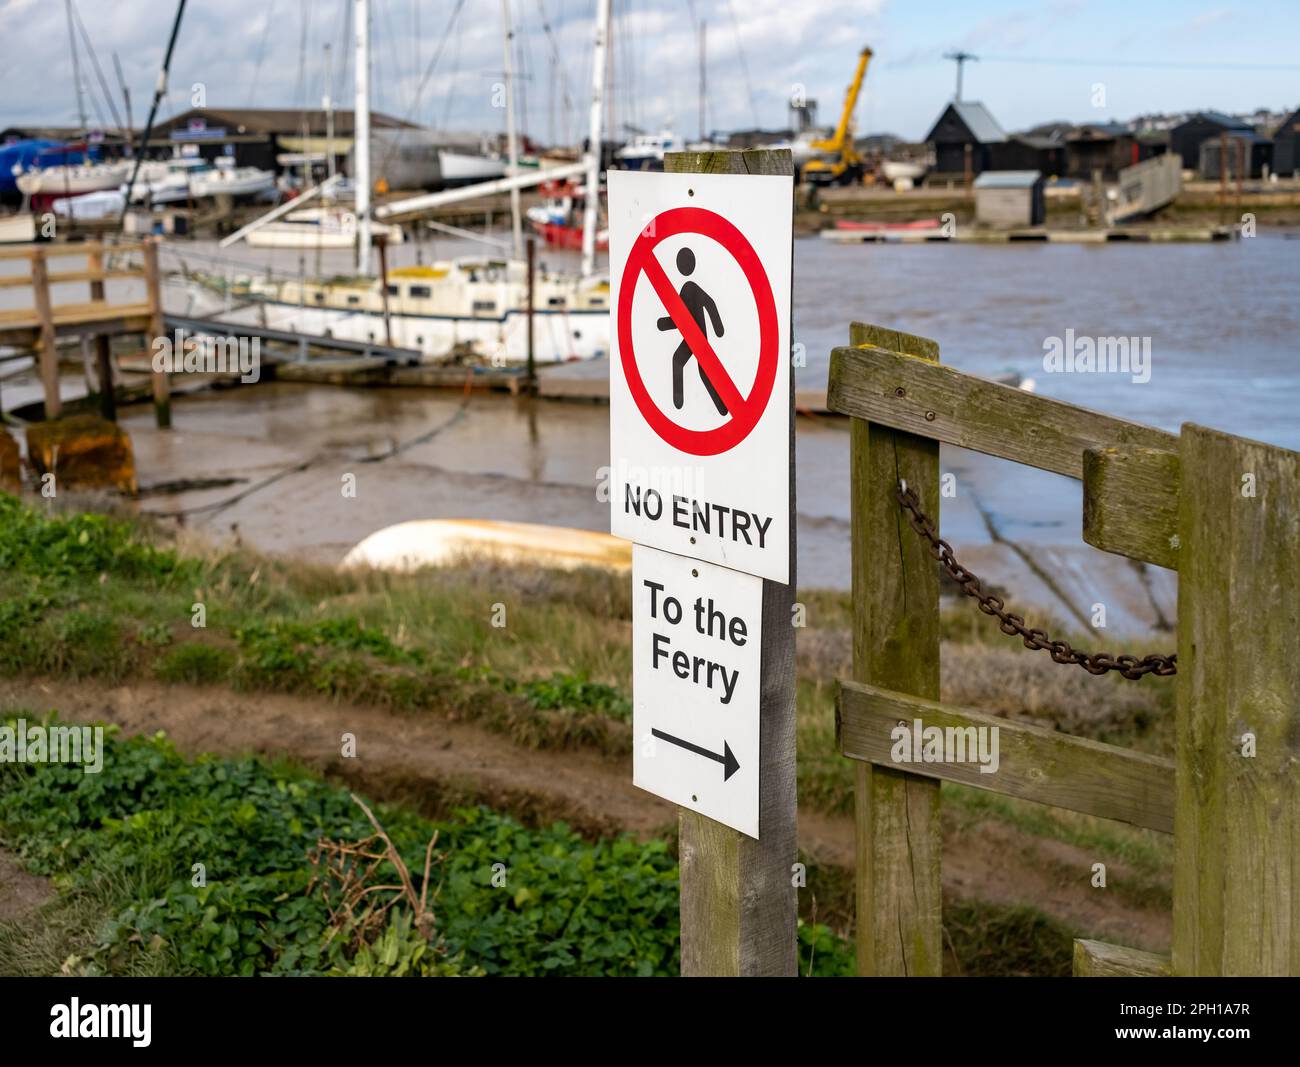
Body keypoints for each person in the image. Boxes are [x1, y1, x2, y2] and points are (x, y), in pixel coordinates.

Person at [657, 246, 727, 414]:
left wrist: (719, 328)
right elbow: (681, 319)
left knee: (699, 370)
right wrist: (664, 324)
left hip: (697, 338)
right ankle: (679, 403)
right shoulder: (687, 289)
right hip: (692, 338)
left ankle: (722, 407)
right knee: (682, 363)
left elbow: (708, 304)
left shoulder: (690, 288)